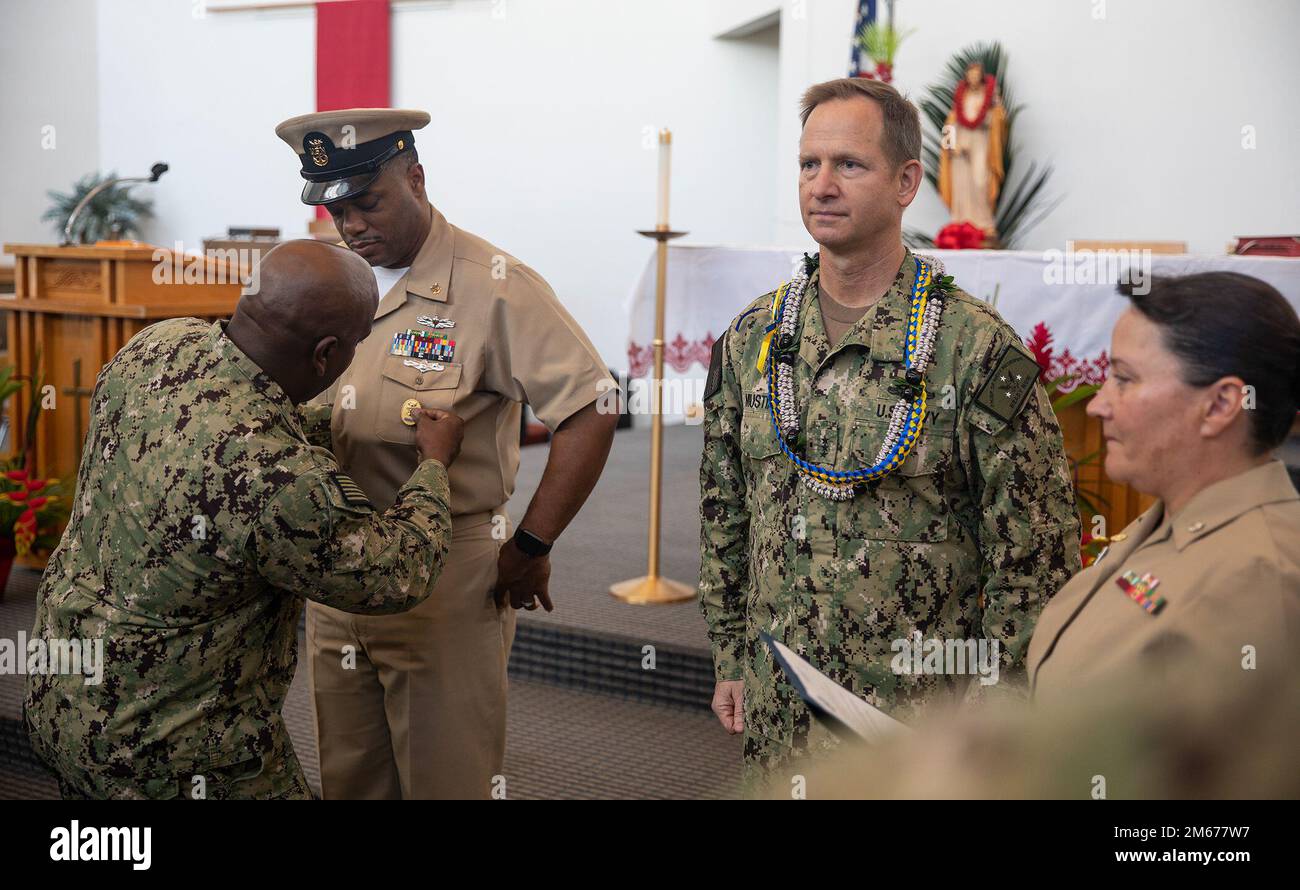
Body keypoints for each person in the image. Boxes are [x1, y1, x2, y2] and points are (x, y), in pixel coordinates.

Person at [698, 77, 1080, 793]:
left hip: (917, 721)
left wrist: (1000, 710)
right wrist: (729, 651)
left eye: (849, 164)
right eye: (809, 165)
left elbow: (1035, 553)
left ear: (907, 182)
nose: (822, 185)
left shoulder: (973, 349)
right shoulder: (754, 337)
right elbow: (725, 508)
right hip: (782, 702)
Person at [23, 240, 465, 799]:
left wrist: (345, 418)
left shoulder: (159, 345)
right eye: (356, 346)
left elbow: (220, 419)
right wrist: (434, 464)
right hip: (171, 753)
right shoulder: (283, 482)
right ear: (326, 354)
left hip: (62, 701)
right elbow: (398, 572)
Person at [275, 108, 618, 799]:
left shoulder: (493, 285)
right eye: (337, 211)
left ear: (417, 179)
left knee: (447, 782)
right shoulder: (332, 281)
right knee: (351, 780)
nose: (353, 227)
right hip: (338, 578)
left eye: (368, 202)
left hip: (443, 580)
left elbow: (592, 408)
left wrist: (530, 542)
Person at [1027, 273, 1300, 701]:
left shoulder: (1260, 579)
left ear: (1221, 405)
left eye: (1124, 379)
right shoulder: (1172, 520)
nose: (1097, 405)